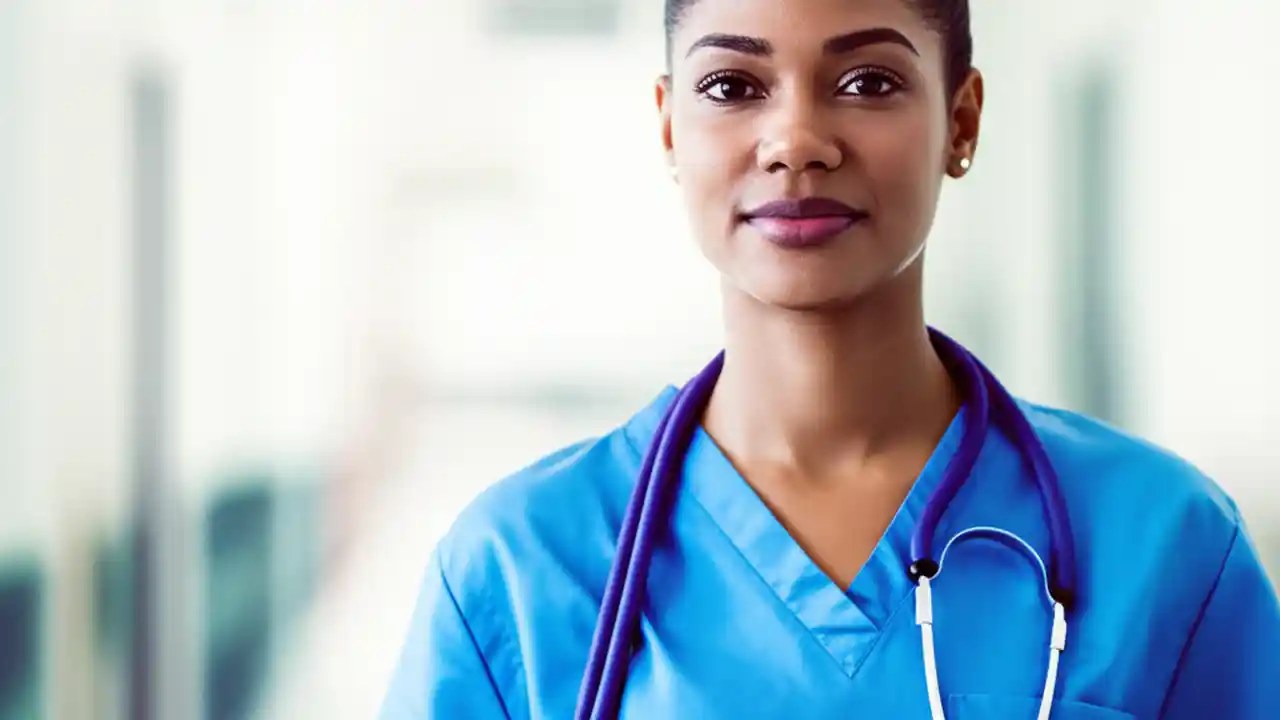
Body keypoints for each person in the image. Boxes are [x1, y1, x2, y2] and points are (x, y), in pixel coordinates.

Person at [380, 0, 1280, 717]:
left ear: (961, 120)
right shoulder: (517, 569)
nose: (797, 141)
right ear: (669, 128)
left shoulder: (1165, 544)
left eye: (868, 80)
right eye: (732, 86)